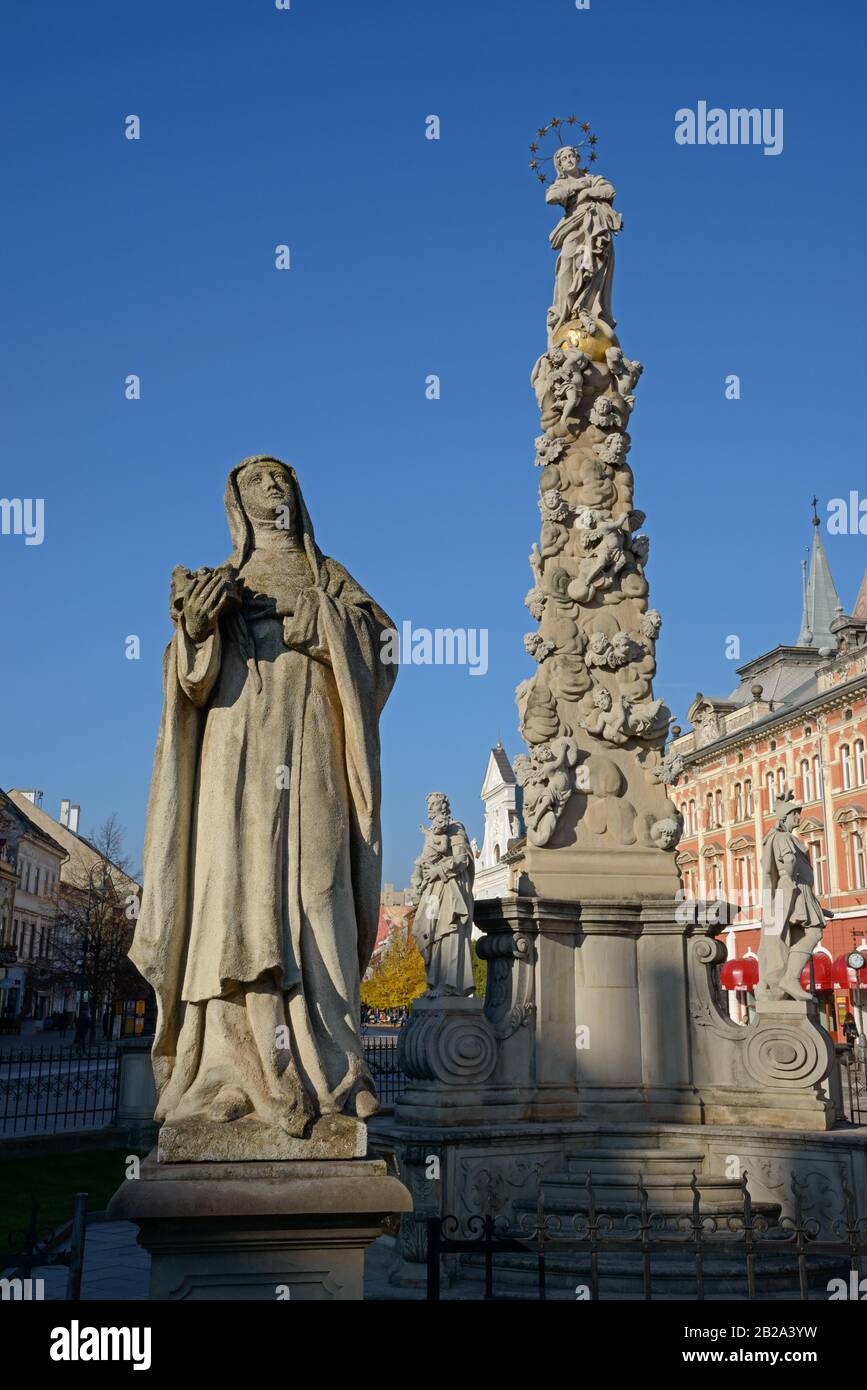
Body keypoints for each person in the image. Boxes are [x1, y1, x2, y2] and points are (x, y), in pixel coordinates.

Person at [131, 457, 397, 1134]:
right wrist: (194, 630)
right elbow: (188, 685)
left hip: (310, 746)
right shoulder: (217, 580)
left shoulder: (329, 577)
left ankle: (332, 1068)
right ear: (236, 504)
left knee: (319, 888)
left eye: (281, 479)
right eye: (256, 482)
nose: (271, 487)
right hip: (234, 752)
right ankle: (230, 1071)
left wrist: (327, 628)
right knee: (234, 898)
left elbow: (385, 647)